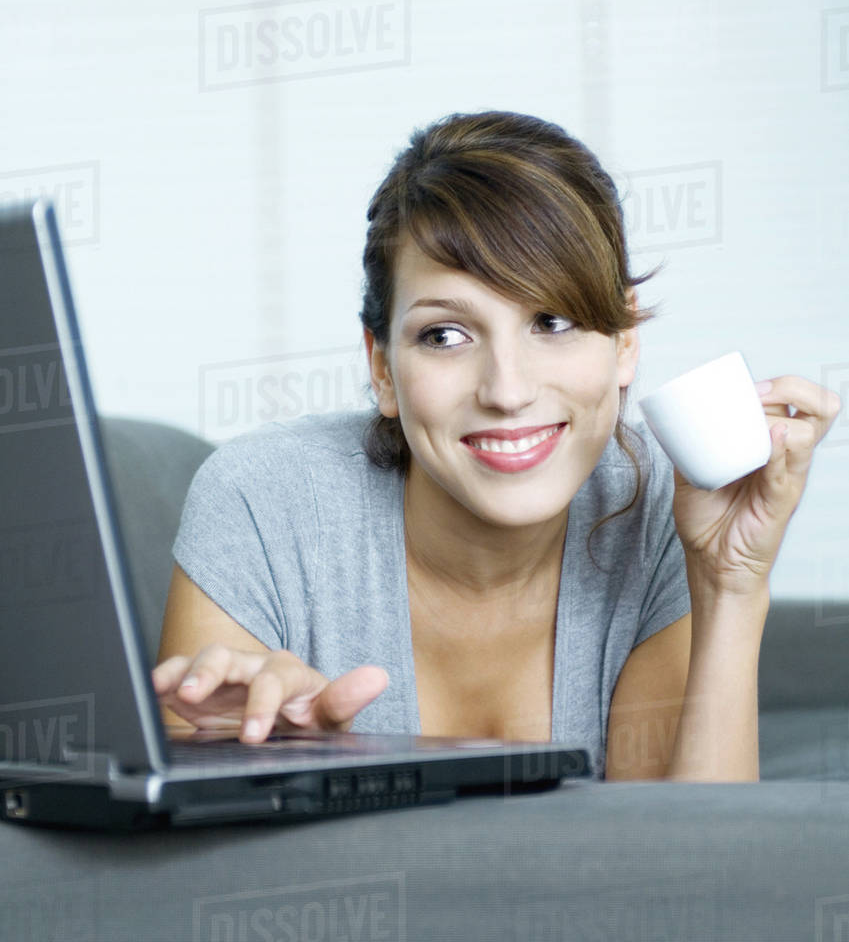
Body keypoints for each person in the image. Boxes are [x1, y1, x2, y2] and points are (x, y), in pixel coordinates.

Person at [153, 110, 840, 781]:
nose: (507, 391)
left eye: (554, 321)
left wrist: (730, 587)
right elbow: (191, 880)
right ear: (382, 369)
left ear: (624, 343)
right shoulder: (262, 501)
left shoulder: (664, 501)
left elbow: (688, 871)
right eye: (445, 335)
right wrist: (289, 775)